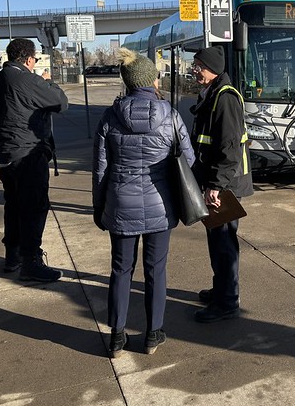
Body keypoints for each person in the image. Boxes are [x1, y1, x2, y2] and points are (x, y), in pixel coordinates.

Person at [92, 48, 194, 357]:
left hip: (120, 205)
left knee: (121, 269)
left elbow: (100, 167)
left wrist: (100, 208)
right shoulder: (171, 115)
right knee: (156, 270)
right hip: (160, 205)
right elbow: (188, 159)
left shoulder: (110, 116)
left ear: (127, 82)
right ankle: (152, 334)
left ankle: (117, 336)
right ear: (151, 80)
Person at [0, 38, 68, 282]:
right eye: (35, 60)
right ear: (29, 59)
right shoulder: (28, 79)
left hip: (5, 154)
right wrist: (48, 82)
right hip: (28, 153)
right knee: (34, 207)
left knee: (13, 205)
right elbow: (60, 102)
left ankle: (13, 255)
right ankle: (31, 260)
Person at [189, 45, 253, 323]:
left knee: (224, 243)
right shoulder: (213, 93)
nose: (194, 70)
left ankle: (227, 301)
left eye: (198, 66)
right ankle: (222, 290)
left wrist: (215, 184)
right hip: (219, 181)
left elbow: (229, 147)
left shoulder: (224, 98)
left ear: (211, 68)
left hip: (224, 185)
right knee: (218, 241)